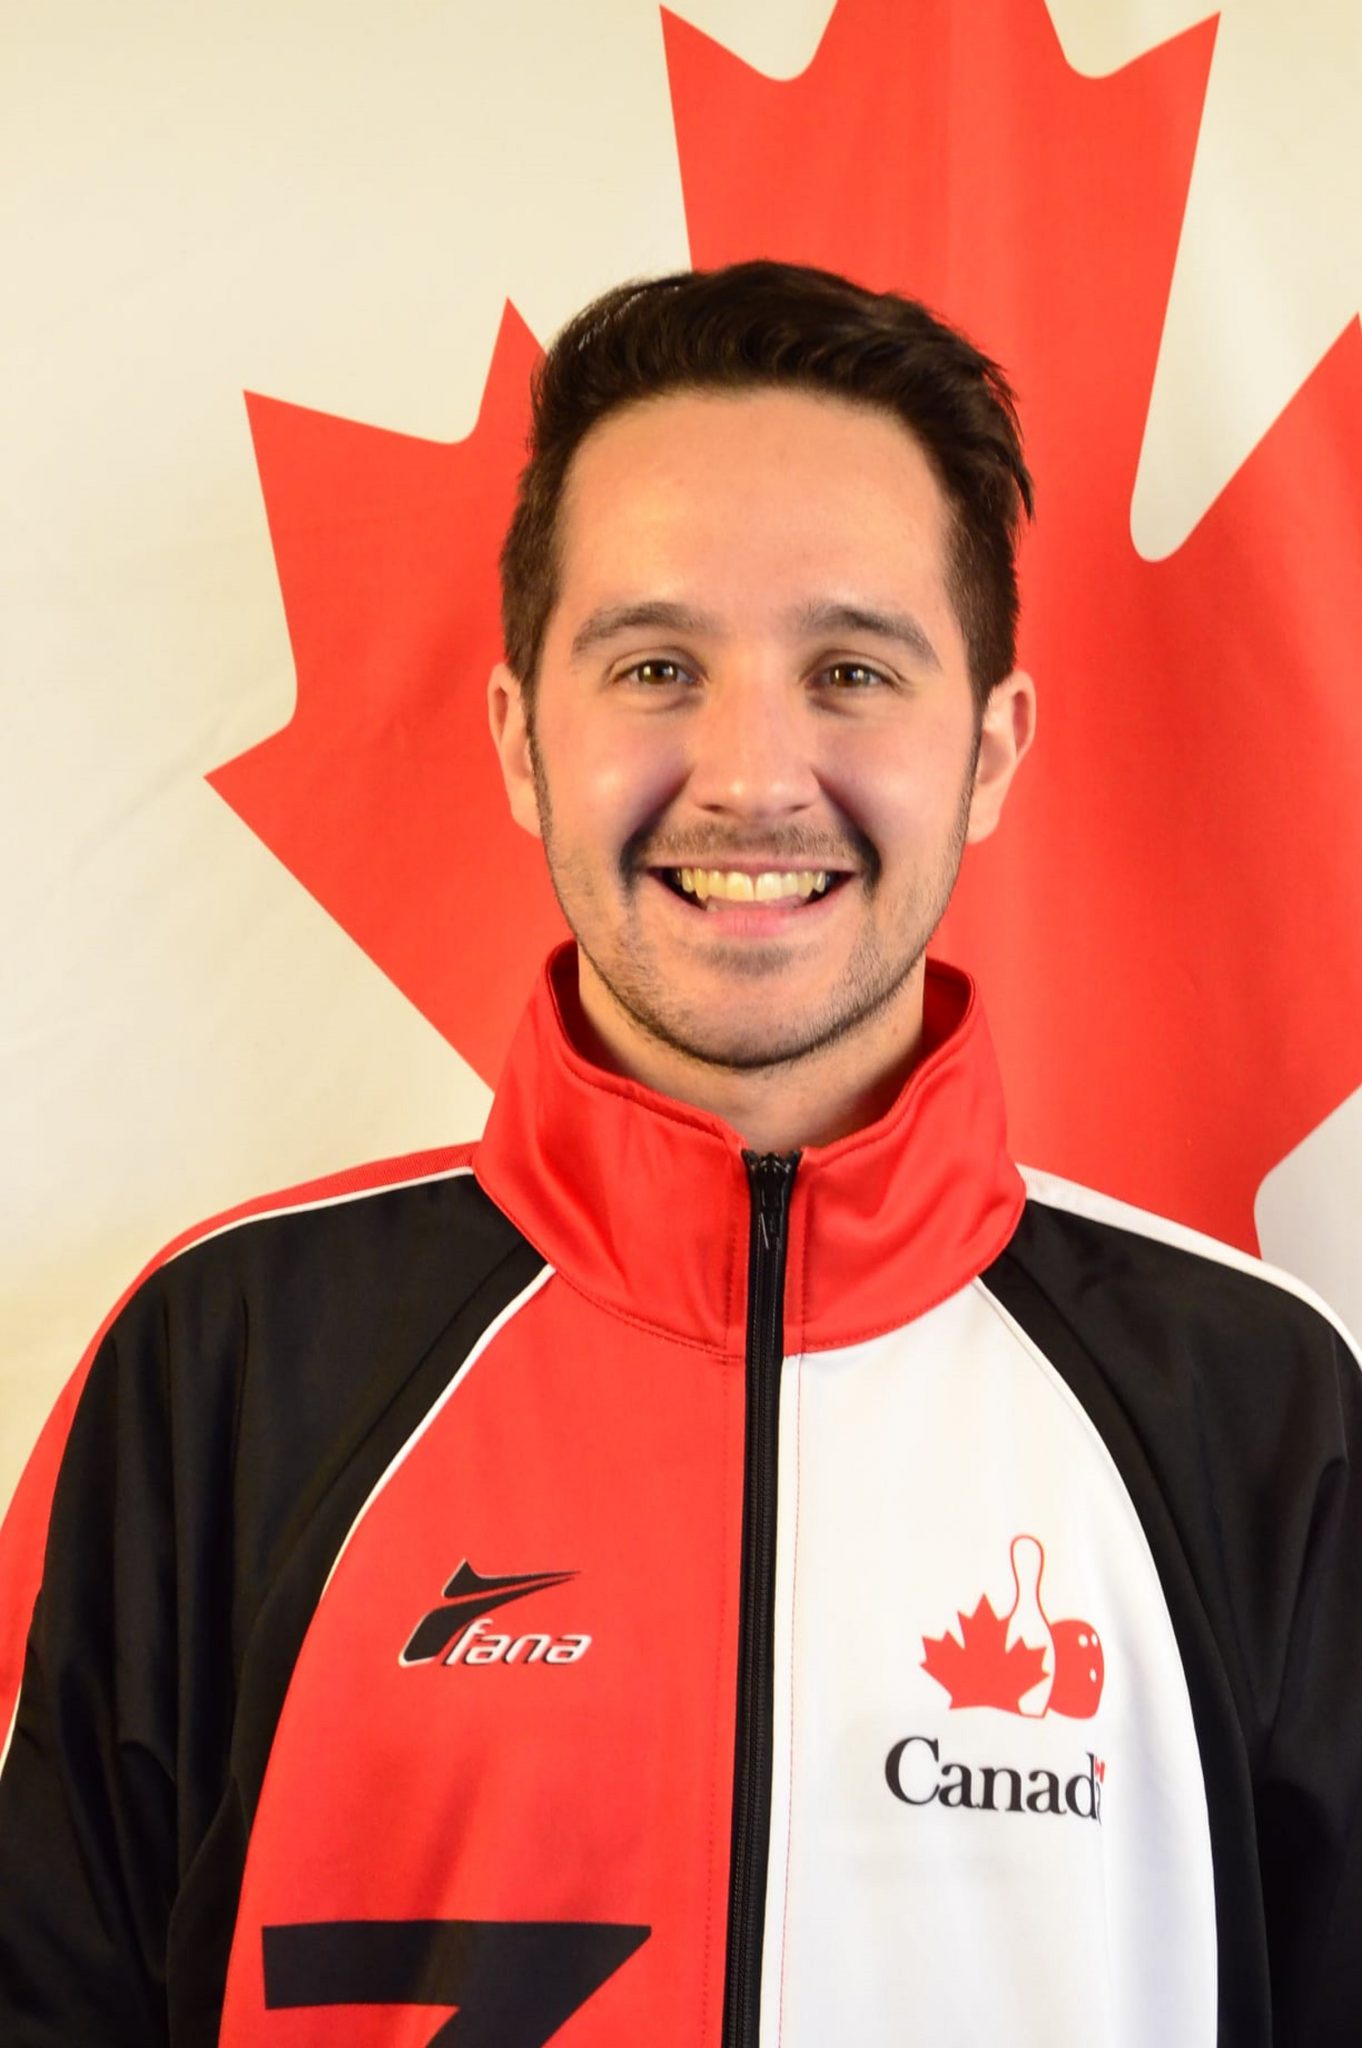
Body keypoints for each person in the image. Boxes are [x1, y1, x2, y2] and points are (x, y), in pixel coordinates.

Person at [0, 261, 1359, 2048]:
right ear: (517, 735)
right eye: (655, 665)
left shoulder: (1258, 1400)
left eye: (852, 668)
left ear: (991, 750)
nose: (750, 773)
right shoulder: (226, 1356)